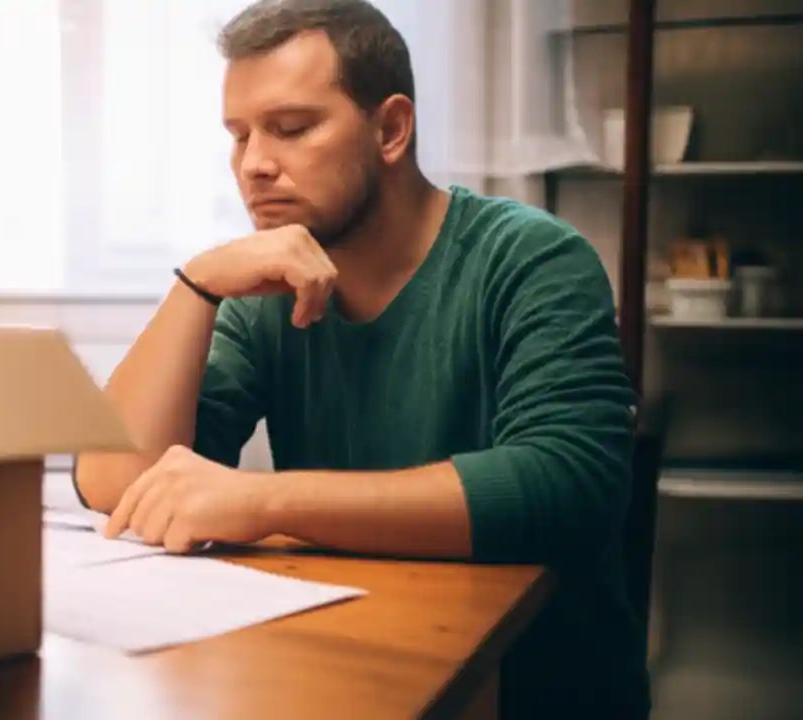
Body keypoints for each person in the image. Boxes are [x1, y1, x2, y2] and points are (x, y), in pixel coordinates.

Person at [73, 0, 650, 717]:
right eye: (239, 136)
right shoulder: (265, 295)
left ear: (391, 129)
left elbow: (569, 484)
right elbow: (112, 481)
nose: (253, 165)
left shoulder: (533, 257)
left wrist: (262, 499)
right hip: (349, 671)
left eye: (290, 129)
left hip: (531, 690)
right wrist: (197, 285)